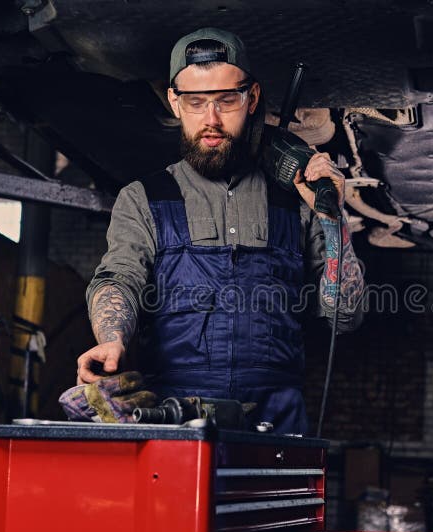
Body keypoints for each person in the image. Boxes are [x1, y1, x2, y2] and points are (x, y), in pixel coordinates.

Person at [75, 28, 365, 434]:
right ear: (175, 102)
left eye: (226, 101)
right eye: (195, 103)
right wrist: (112, 338)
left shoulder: (295, 199)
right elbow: (118, 279)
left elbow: (345, 317)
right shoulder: (144, 198)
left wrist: (333, 218)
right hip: (175, 413)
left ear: (253, 98)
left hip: (277, 418)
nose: (211, 121)